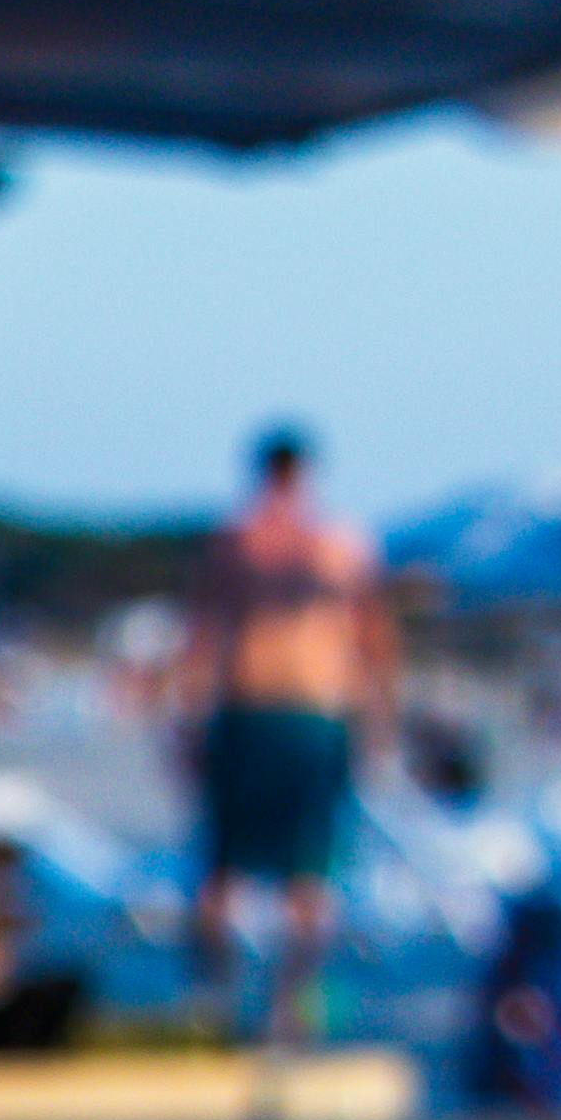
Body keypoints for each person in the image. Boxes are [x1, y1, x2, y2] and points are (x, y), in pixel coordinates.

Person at [184, 424, 390, 1022]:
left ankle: (231, 1006)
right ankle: (275, 1010)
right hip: (302, 714)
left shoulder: (242, 542)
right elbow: (374, 643)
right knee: (290, 878)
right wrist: (377, 722)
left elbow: (201, 638)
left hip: (265, 715)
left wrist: (191, 720)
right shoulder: (337, 544)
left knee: (245, 876)